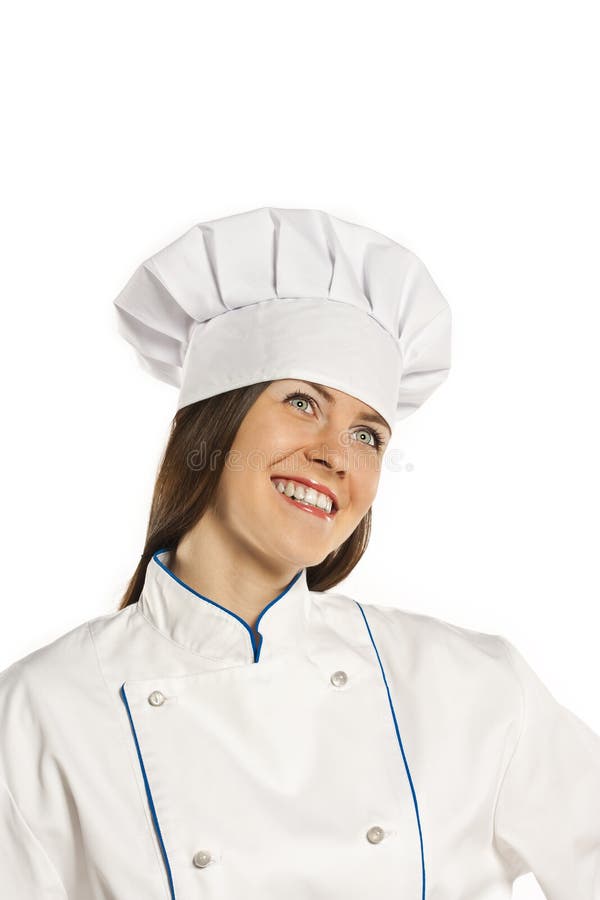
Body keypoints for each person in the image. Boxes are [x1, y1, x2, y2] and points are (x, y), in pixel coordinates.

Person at [0, 206, 598, 899]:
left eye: (368, 435)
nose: (334, 456)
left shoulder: (473, 691)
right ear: (214, 427)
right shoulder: (43, 715)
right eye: (302, 403)